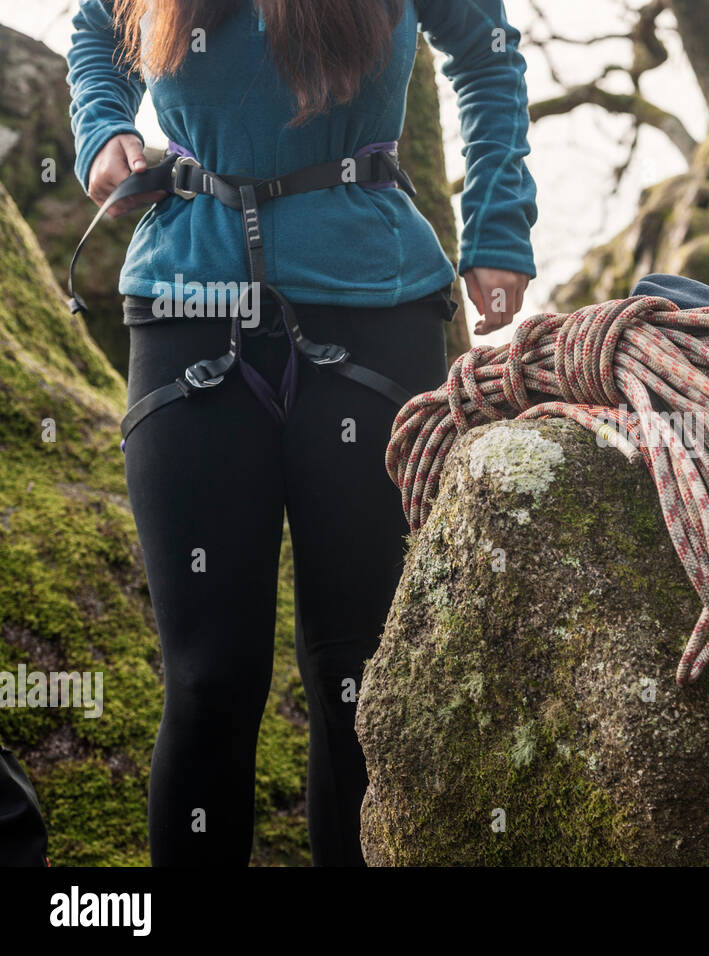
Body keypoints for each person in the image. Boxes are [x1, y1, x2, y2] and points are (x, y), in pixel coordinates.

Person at [66, 0, 537, 866]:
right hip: (185, 305)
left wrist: (500, 222)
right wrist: (100, 126)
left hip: (375, 308)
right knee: (207, 680)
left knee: (360, 676)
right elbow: (98, 28)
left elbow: (488, 48)